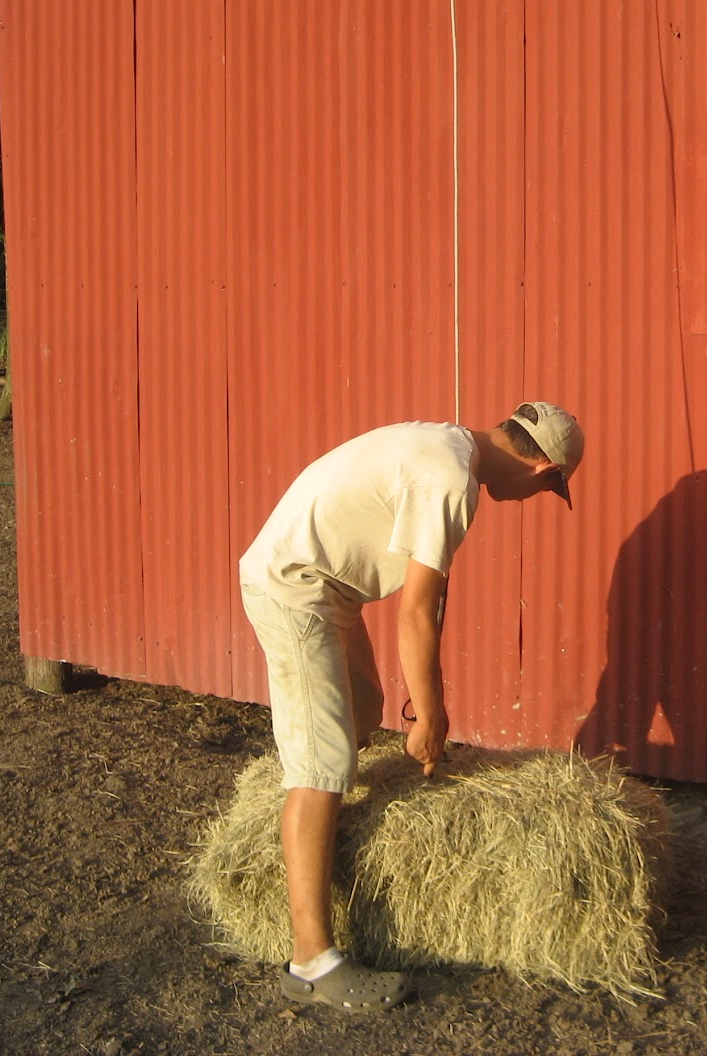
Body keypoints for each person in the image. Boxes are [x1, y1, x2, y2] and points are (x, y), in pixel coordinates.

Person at [237, 401, 584, 1011]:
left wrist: (411, 705)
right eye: (550, 491)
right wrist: (432, 715)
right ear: (543, 473)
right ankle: (312, 963)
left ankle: (339, 827)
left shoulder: (448, 445)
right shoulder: (450, 481)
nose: (534, 501)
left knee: (365, 709)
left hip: (330, 586)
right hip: (297, 587)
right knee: (323, 764)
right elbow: (418, 614)